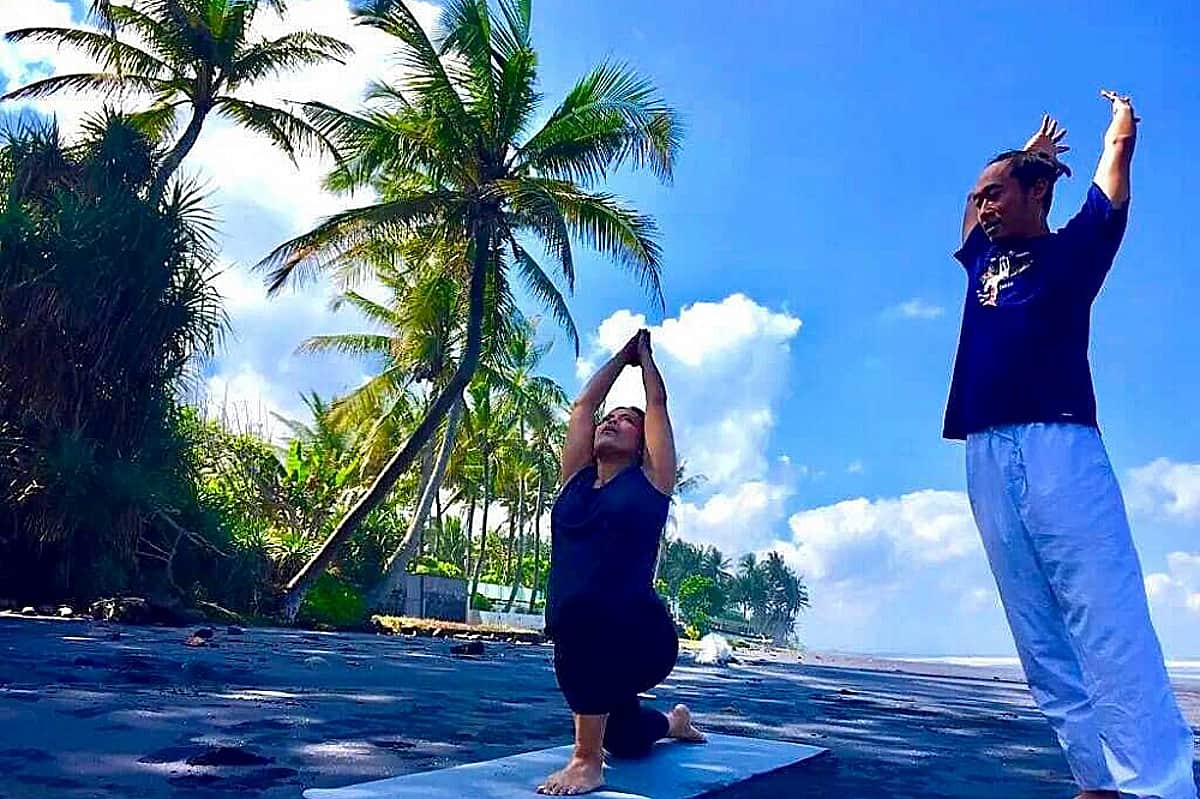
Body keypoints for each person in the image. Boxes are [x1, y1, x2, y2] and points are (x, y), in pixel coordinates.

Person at [946, 91, 1197, 799]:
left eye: (997, 194)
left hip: (1061, 444)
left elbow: (1113, 171)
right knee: (1038, 632)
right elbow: (969, 215)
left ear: (1037, 195)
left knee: (1105, 615)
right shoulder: (979, 263)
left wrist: (1120, 125)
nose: (984, 207)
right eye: (980, 197)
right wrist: (1022, 154)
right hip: (984, 450)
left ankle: (1159, 785)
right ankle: (1095, 778)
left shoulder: (1076, 249)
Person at [537, 329, 706, 796]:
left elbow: (656, 406)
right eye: (609, 419)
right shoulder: (575, 479)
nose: (611, 422)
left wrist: (644, 359)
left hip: (640, 635)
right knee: (626, 738)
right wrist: (619, 358)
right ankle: (673, 724)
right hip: (581, 631)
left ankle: (585, 761)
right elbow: (582, 408)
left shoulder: (651, 482)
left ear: (641, 444)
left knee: (588, 630)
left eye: (625, 421)